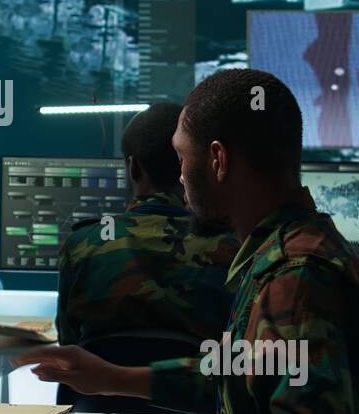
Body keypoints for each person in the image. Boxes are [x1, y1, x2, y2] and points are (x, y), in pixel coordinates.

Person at [17, 69, 359, 414]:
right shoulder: (283, 251)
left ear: (218, 160)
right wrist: (111, 377)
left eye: (183, 158)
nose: (182, 177)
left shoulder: (296, 276)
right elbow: (240, 373)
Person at [55, 102, 239, 357]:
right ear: (190, 166)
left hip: (93, 397)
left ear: (133, 168)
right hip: (192, 397)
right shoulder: (231, 250)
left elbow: (68, 348)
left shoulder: (81, 246)